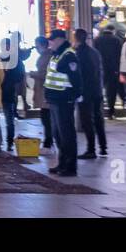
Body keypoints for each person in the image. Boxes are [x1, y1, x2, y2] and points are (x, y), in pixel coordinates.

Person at [42, 29, 81, 177]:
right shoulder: (56, 55)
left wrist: (76, 95)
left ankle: (70, 166)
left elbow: (76, 78)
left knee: (67, 134)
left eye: (52, 40)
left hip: (64, 100)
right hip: (54, 99)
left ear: (60, 40)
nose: (49, 42)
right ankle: (62, 162)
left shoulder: (68, 55)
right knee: (58, 134)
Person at [73, 28, 107, 158]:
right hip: (97, 90)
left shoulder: (79, 54)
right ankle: (103, 147)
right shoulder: (94, 52)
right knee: (98, 119)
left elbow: (81, 74)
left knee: (87, 120)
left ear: (76, 38)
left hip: (86, 91)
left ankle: (91, 149)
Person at [29, 35, 54, 151]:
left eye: (37, 45)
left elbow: (45, 74)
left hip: (46, 91)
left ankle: (48, 143)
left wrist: (34, 74)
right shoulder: (46, 55)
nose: (36, 48)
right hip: (43, 90)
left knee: (47, 118)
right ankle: (49, 141)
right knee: (46, 117)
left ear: (43, 45)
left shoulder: (47, 56)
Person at [0, 36, 25, 143]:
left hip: (8, 92)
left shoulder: (14, 59)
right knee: (6, 119)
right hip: (2, 91)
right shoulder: (0, 58)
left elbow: (20, 75)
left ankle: (9, 140)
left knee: (8, 119)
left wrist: (9, 76)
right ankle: (5, 141)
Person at [95, 24, 123, 118]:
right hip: (113, 69)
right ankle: (111, 111)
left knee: (99, 89)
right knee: (111, 91)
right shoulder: (117, 40)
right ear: (113, 30)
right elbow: (120, 56)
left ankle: (100, 110)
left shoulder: (97, 40)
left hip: (100, 68)